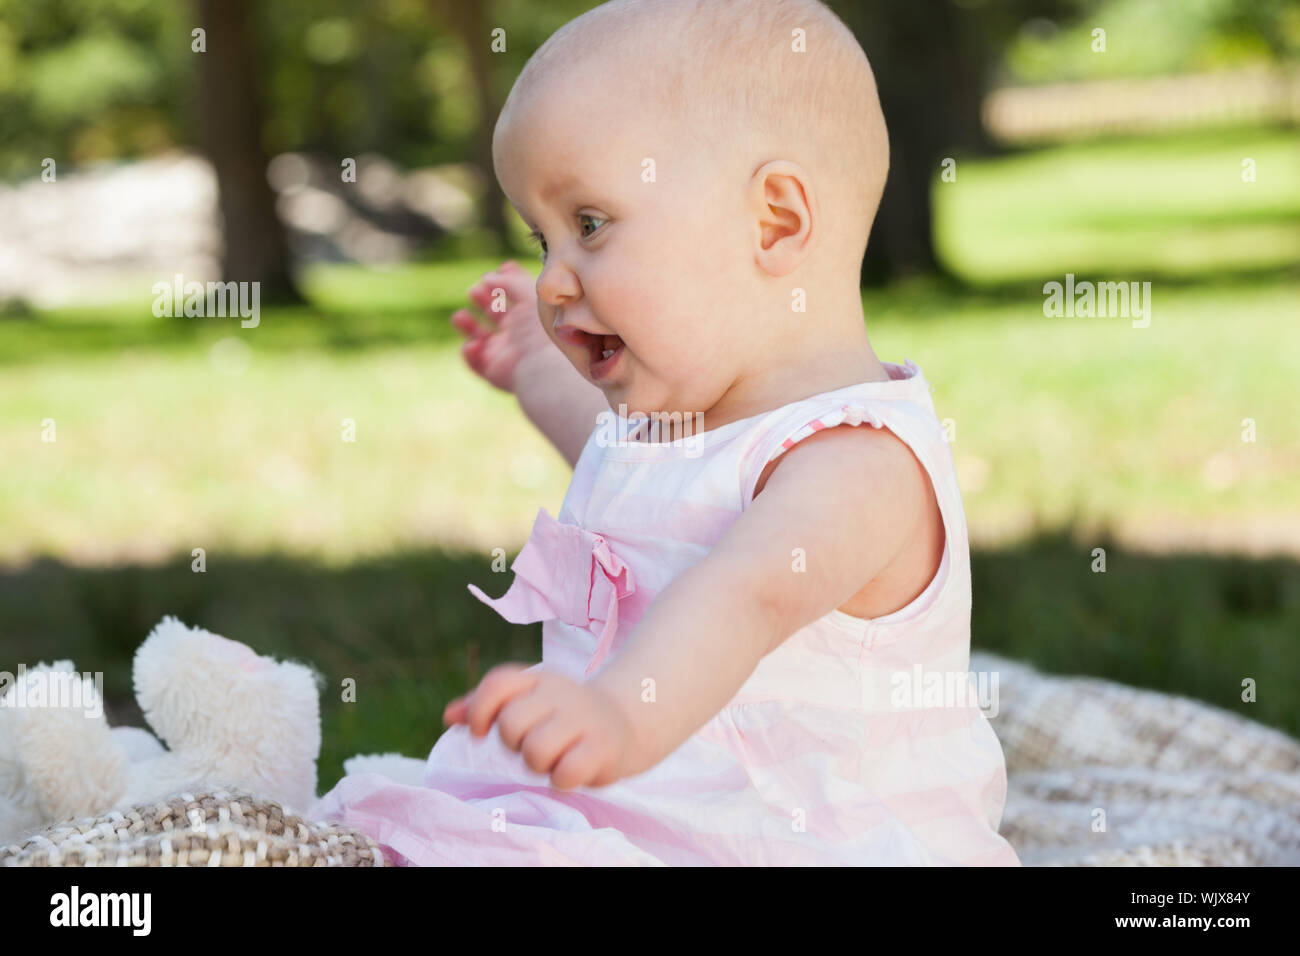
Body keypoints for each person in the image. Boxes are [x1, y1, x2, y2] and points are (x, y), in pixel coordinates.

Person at [308, 0, 1021, 866]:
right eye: (543, 240)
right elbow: (628, 480)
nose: (554, 282)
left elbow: (744, 589)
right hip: (650, 818)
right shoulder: (678, 423)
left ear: (776, 222)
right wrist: (534, 367)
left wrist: (617, 712)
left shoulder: (857, 461)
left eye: (590, 225)